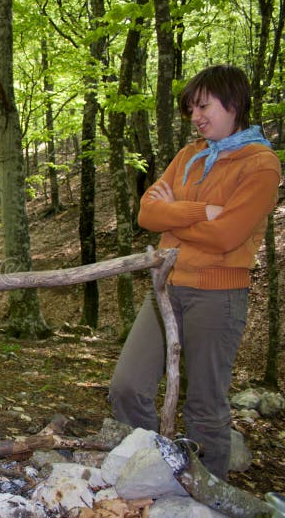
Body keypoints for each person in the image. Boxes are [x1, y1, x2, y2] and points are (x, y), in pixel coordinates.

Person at [109, 65, 281, 479]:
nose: (196, 116)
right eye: (191, 109)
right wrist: (199, 211)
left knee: (204, 404)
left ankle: (208, 496)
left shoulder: (261, 164)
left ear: (234, 102)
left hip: (218, 296)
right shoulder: (188, 155)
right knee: (127, 386)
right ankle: (153, 471)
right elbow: (146, 212)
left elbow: (227, 236)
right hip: (165, 288)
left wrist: (174, 219)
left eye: (203, 106)